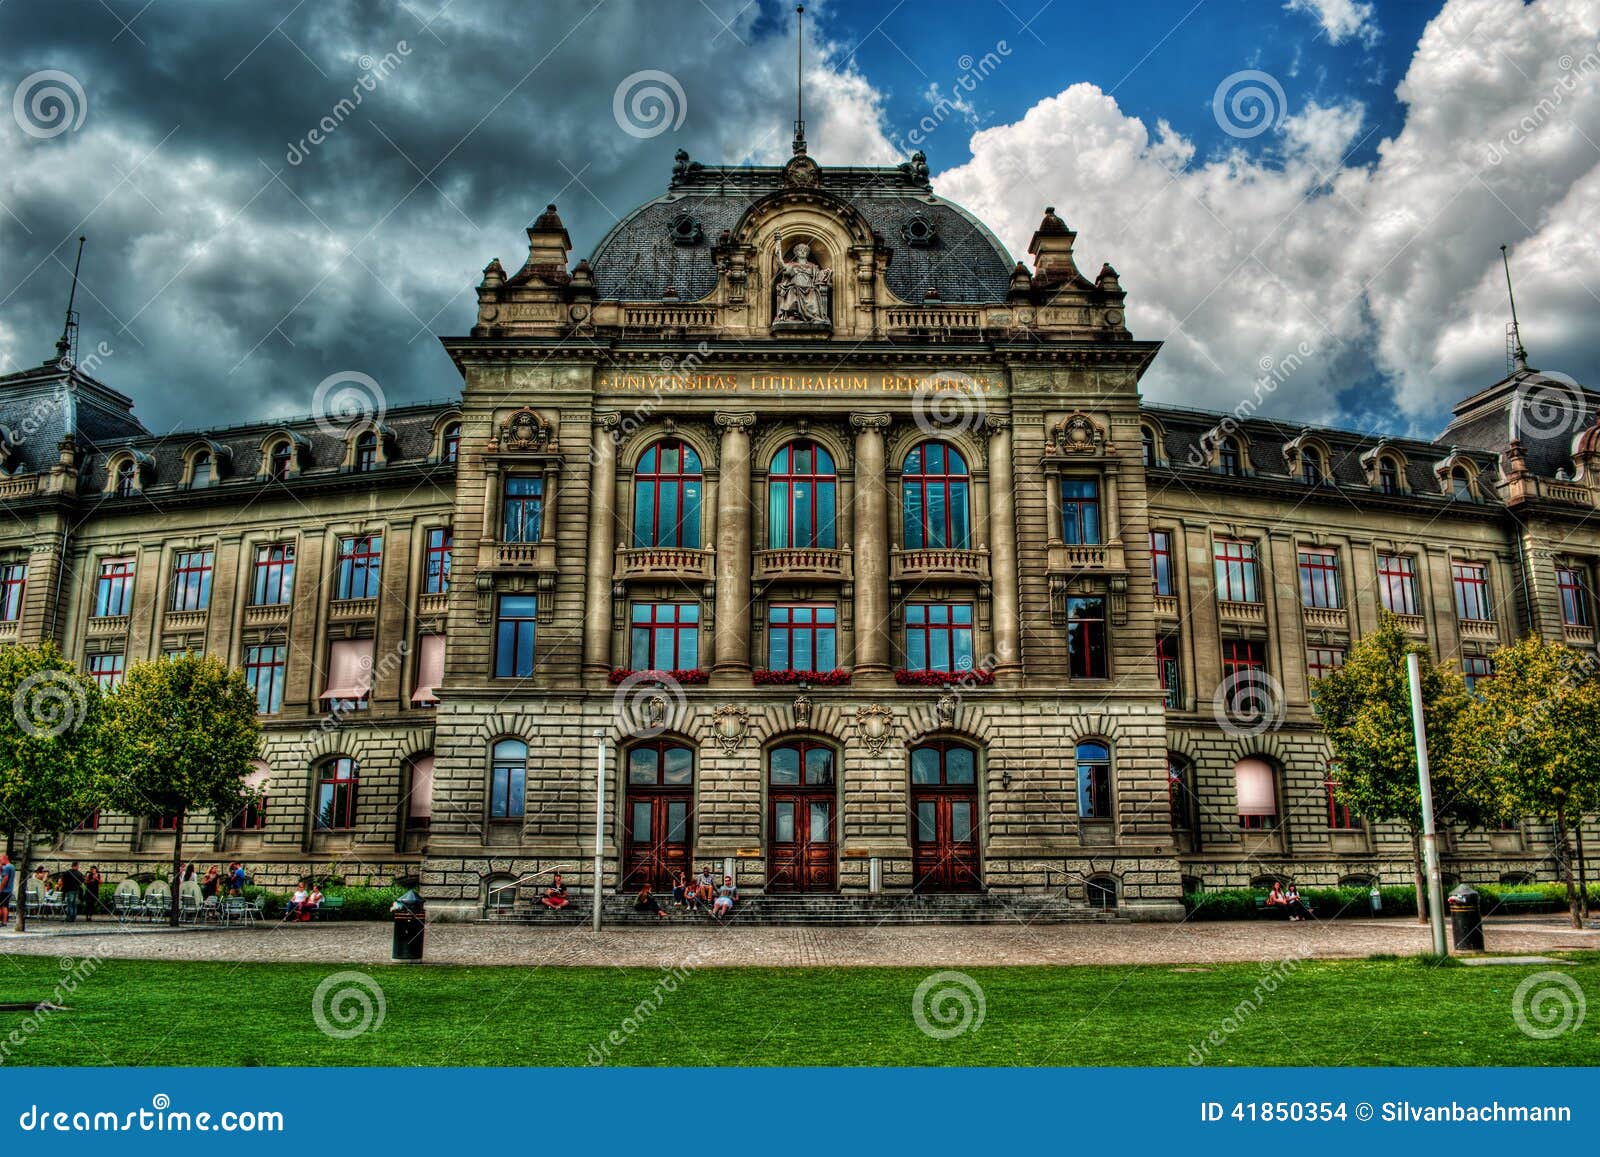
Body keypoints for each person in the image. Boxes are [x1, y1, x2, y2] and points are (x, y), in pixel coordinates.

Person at [0, 853, 14, 927]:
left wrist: (0, 889)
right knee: (5, 906)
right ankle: (4, 921)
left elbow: (5, 879)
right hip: (9, 889)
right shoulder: (12, 866)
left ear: (5, 858)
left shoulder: (6, 868)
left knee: (1, 906)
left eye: (1, 859)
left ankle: (2, 921)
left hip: (4, 890)